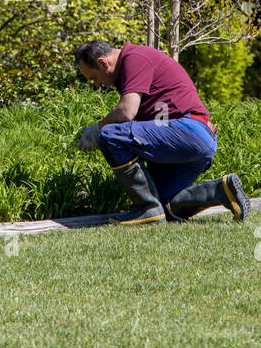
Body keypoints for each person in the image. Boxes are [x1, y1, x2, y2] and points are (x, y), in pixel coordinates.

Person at [73, 39, 250, 225]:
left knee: (111, 135)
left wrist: (97, 129)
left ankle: (145, 209)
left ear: (102, 62)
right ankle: (220, 190)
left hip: (188, 131)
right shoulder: (133, 63)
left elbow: (127, 111)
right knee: (164, 206)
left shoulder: (134, 58)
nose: (97, 84)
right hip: (196, 137)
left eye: (94, 78)